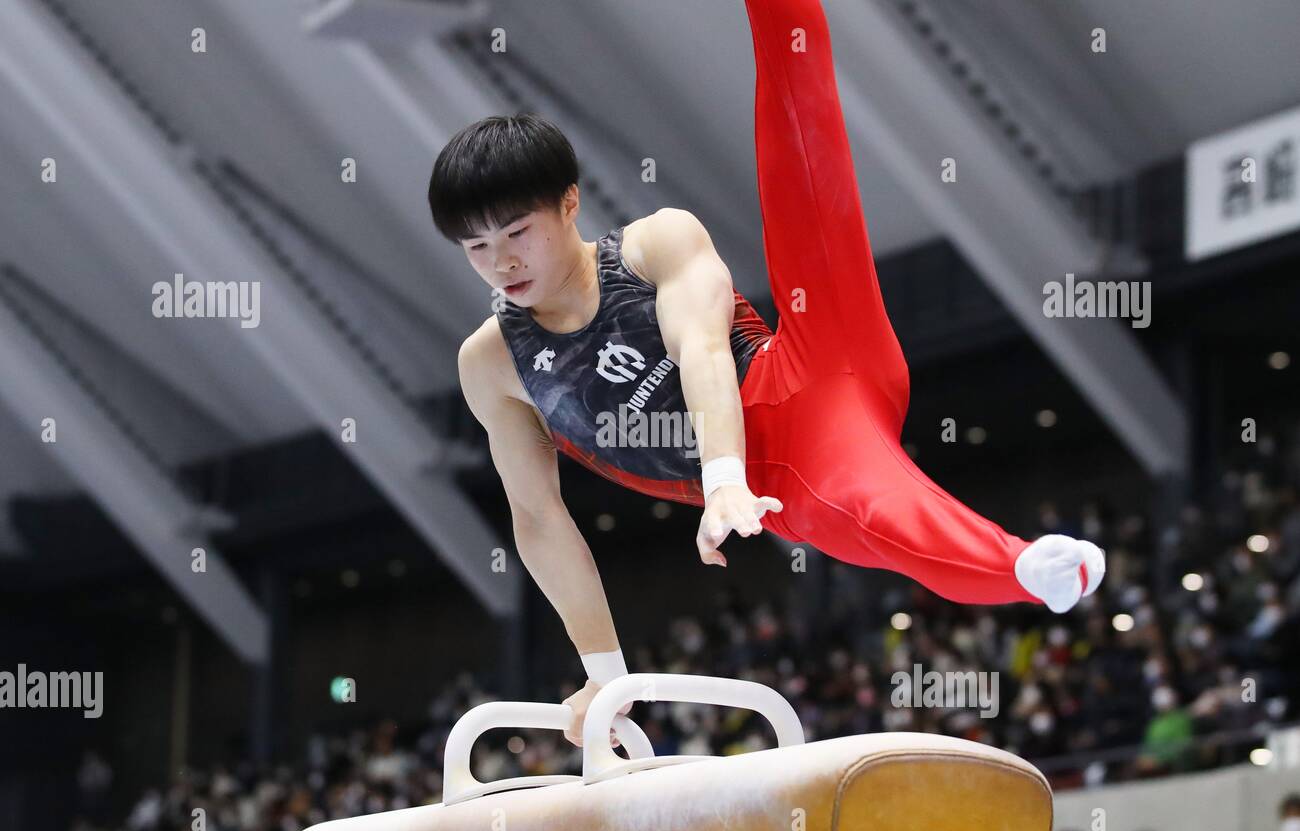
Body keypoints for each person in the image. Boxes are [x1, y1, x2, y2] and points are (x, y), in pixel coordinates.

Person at [429, 0, 1104, 745]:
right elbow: (538, 518)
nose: (502, 263)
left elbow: (704, 351)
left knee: (805, 162)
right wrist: (605, 670)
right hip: (794, 464)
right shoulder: (491, 364)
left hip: (809, 365)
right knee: (880, 512)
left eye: (517, 233)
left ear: (568, 204)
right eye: (476, 248)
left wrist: (723, 480)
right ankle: (1025, 569)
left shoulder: (657, 244)